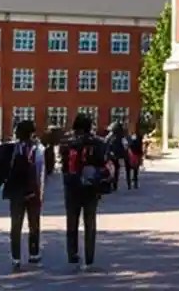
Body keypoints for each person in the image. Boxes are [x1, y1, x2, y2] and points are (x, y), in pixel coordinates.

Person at [60, 112, 109, 271]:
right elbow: (103, 163)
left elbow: (63, 166)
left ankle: (72, 254)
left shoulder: (68, 143)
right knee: (90, 223)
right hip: (91, 187)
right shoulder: (99, 143)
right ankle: (89, 257)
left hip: (72, 188)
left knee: (72, 223)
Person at [2, 119, 44, 271]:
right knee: (34, 223)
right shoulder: (37, 149)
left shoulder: (11, 149)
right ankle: (33, 253)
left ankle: (16, 257)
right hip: (32, 191)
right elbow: (40, 172)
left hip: (15, 192)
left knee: (16, 225)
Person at [106, 122, 129, 191]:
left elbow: (106, 142)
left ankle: (112, 184)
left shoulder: (111, 136)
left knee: (112, 170)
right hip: (116, 155)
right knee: (115, 170)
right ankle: (114, 184)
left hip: (112, 155)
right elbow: (125, 146)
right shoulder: (121, 137)